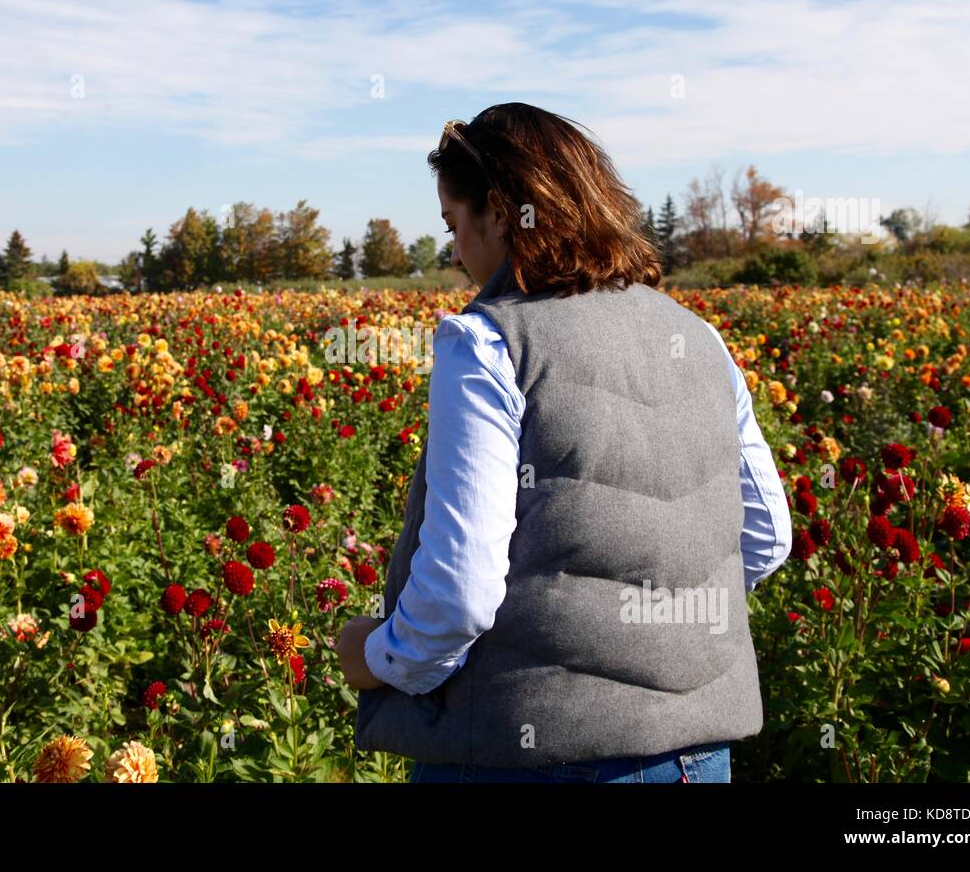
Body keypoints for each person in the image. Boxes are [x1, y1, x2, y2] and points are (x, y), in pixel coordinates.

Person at [334, 103, 792, 783]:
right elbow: (765, 539)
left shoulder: (489, 341)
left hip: (525, 754)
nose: (457, 254)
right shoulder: (699, 339)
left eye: (454, 224)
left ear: (497, 212)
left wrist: (375, 655)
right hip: (696, 757)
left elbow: (458, 594)